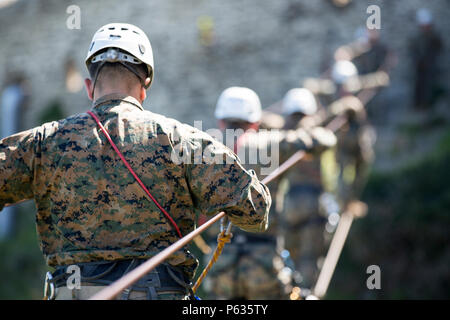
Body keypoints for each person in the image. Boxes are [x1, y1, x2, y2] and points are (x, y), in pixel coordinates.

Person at [0, 23, 271, 300]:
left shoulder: (44, 142)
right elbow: (255, 211)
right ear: (145, 87)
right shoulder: (182, 140)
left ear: (89, 86)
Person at [202, 86, 328, 299]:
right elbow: (322, 140)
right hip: (263, 265)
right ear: (255, 122)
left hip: (218, 266)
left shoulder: (202, 145)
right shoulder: (273, 142)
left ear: (220, 121)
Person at [274, 88, 337, 294]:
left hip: (289, 202)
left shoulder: (283, 133)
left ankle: (290, 292)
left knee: (288, 254)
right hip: (312, 201)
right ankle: (307, 292)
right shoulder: (314, 130)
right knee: (309, 255)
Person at [409, 8, 444, 110]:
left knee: (430, 86)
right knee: (419, 86)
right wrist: (418, 61)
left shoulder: (434, 36)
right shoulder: (416, 38)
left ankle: (429, 106)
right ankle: (419, 106)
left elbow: (439, 48)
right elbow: (413, 51)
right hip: (419, 67)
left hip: (431, 66)